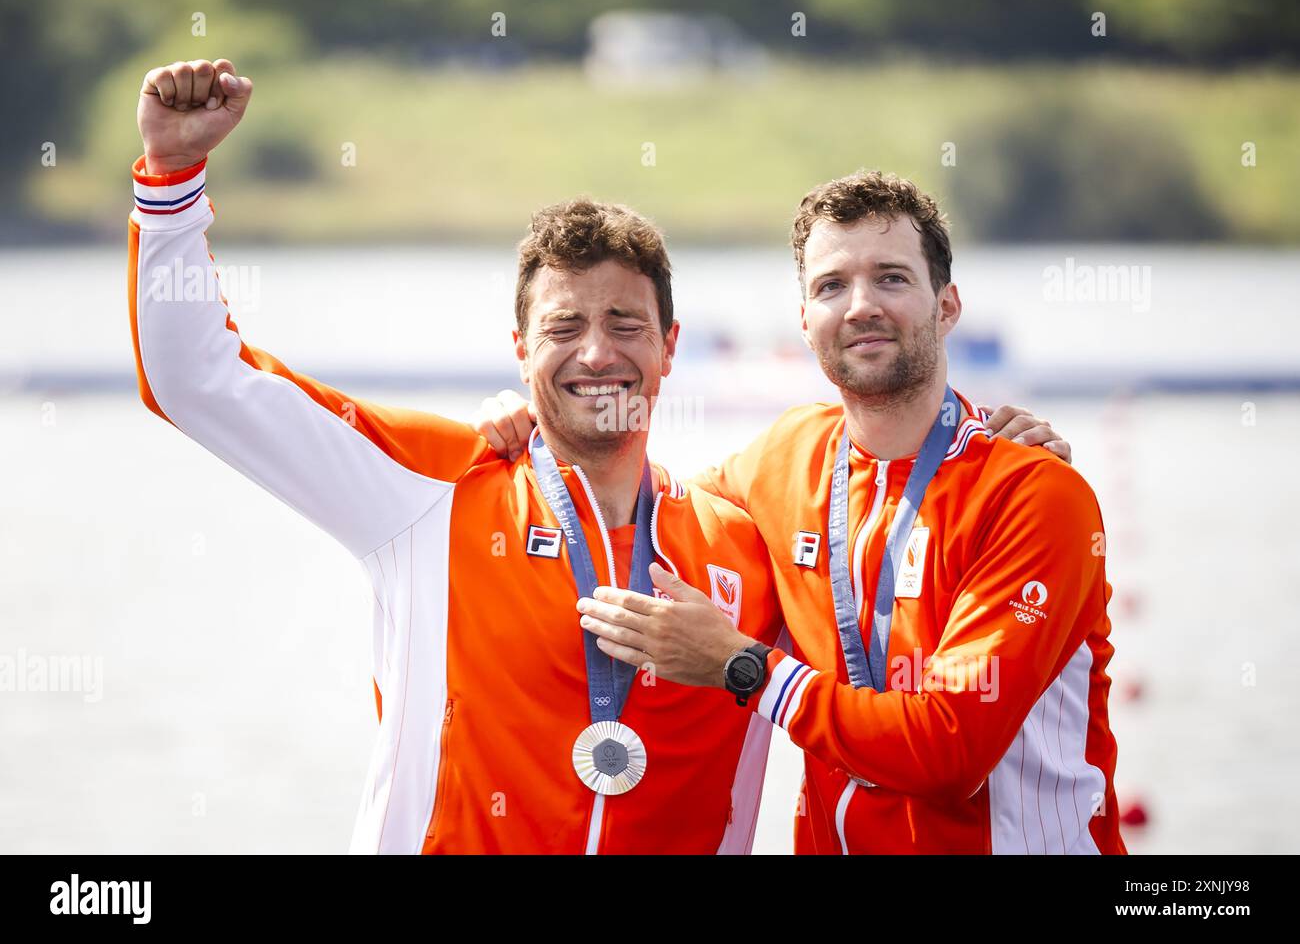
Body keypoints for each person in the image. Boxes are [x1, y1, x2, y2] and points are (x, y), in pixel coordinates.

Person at [128, 58, 788, 854]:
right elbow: (196, 379)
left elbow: (895, 677)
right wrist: (172, 177)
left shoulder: (746, 541)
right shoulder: (430, 486)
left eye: (625, 322)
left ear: (670, 345)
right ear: (518, 350)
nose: (596, 352)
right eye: (563, 327)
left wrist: (976, 442)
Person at [481, 173, 1123, 854]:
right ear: (805, 319)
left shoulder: (1034, 495)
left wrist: (742, 666)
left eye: (892, 279)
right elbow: (637, 500)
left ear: (948, 304)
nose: (861, 306)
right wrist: (529, 430)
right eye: (831, 286)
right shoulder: (786, 457)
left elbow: (950, 751)